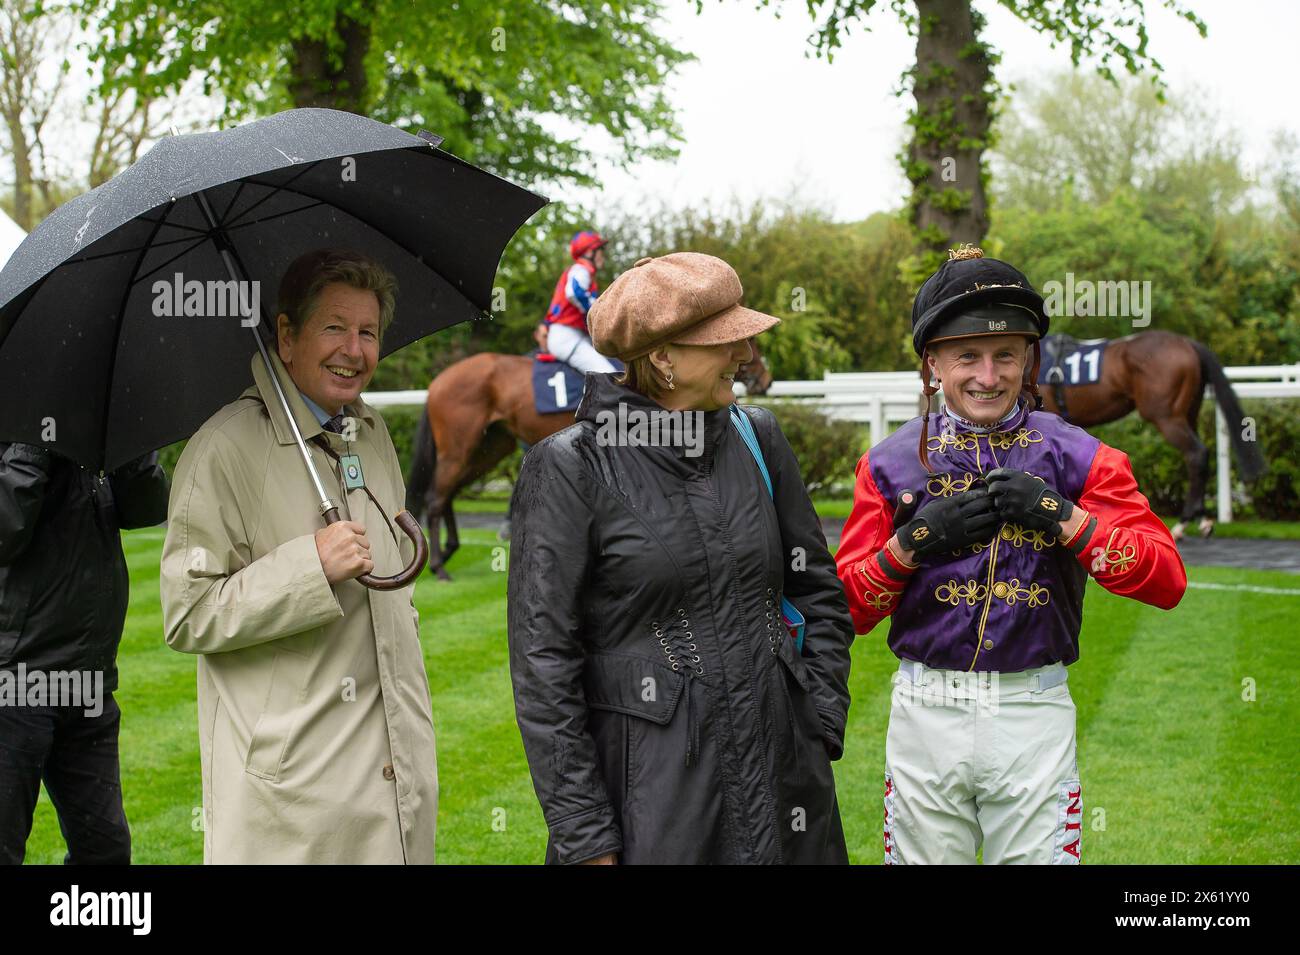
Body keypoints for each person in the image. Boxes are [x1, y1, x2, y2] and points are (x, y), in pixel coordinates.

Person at [835, 245, 1187, 865]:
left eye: (1006, 356)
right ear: (933, 364)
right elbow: (846, 612)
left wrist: (1066, 519)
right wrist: (910, 545)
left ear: (1030, 360)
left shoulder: (1084, 457)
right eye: (967, 356)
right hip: (925, 713)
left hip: (1034, 711)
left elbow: (1164, 580)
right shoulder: (887, 464)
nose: (988, 377)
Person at [508, 252, 855, 864]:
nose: (745, 356)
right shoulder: (570, 465)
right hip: (654, 805)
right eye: (724, 342)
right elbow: (544, 664)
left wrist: (819, 717)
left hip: (787, 784)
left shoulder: (758, 437)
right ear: (662, 358)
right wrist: (584, 833)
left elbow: (817, 590)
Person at [159, 248, 437, 864]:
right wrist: (307, 566)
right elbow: (187, 614)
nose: (355, 350)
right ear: (286, 336)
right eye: (334, 327)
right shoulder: (223, 449)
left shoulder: (369, 433)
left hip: (396, 788)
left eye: (368, 332)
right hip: (294, 809)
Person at [0, 442, 169, 864]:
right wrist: (37, 440)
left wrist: (125, 443)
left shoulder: (95, 424)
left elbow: (148, 507)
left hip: (89, 680)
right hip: (15, 683)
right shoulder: (18, 414)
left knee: (106, 852)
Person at [535, 230, 618, 374]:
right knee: (607, 374)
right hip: (567, 337)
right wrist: (600, 313)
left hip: (573, 335)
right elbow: (574, 292)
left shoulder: (579, 271)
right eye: (600, 250)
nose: (602, 255)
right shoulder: (582, 269)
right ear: (590, 252)